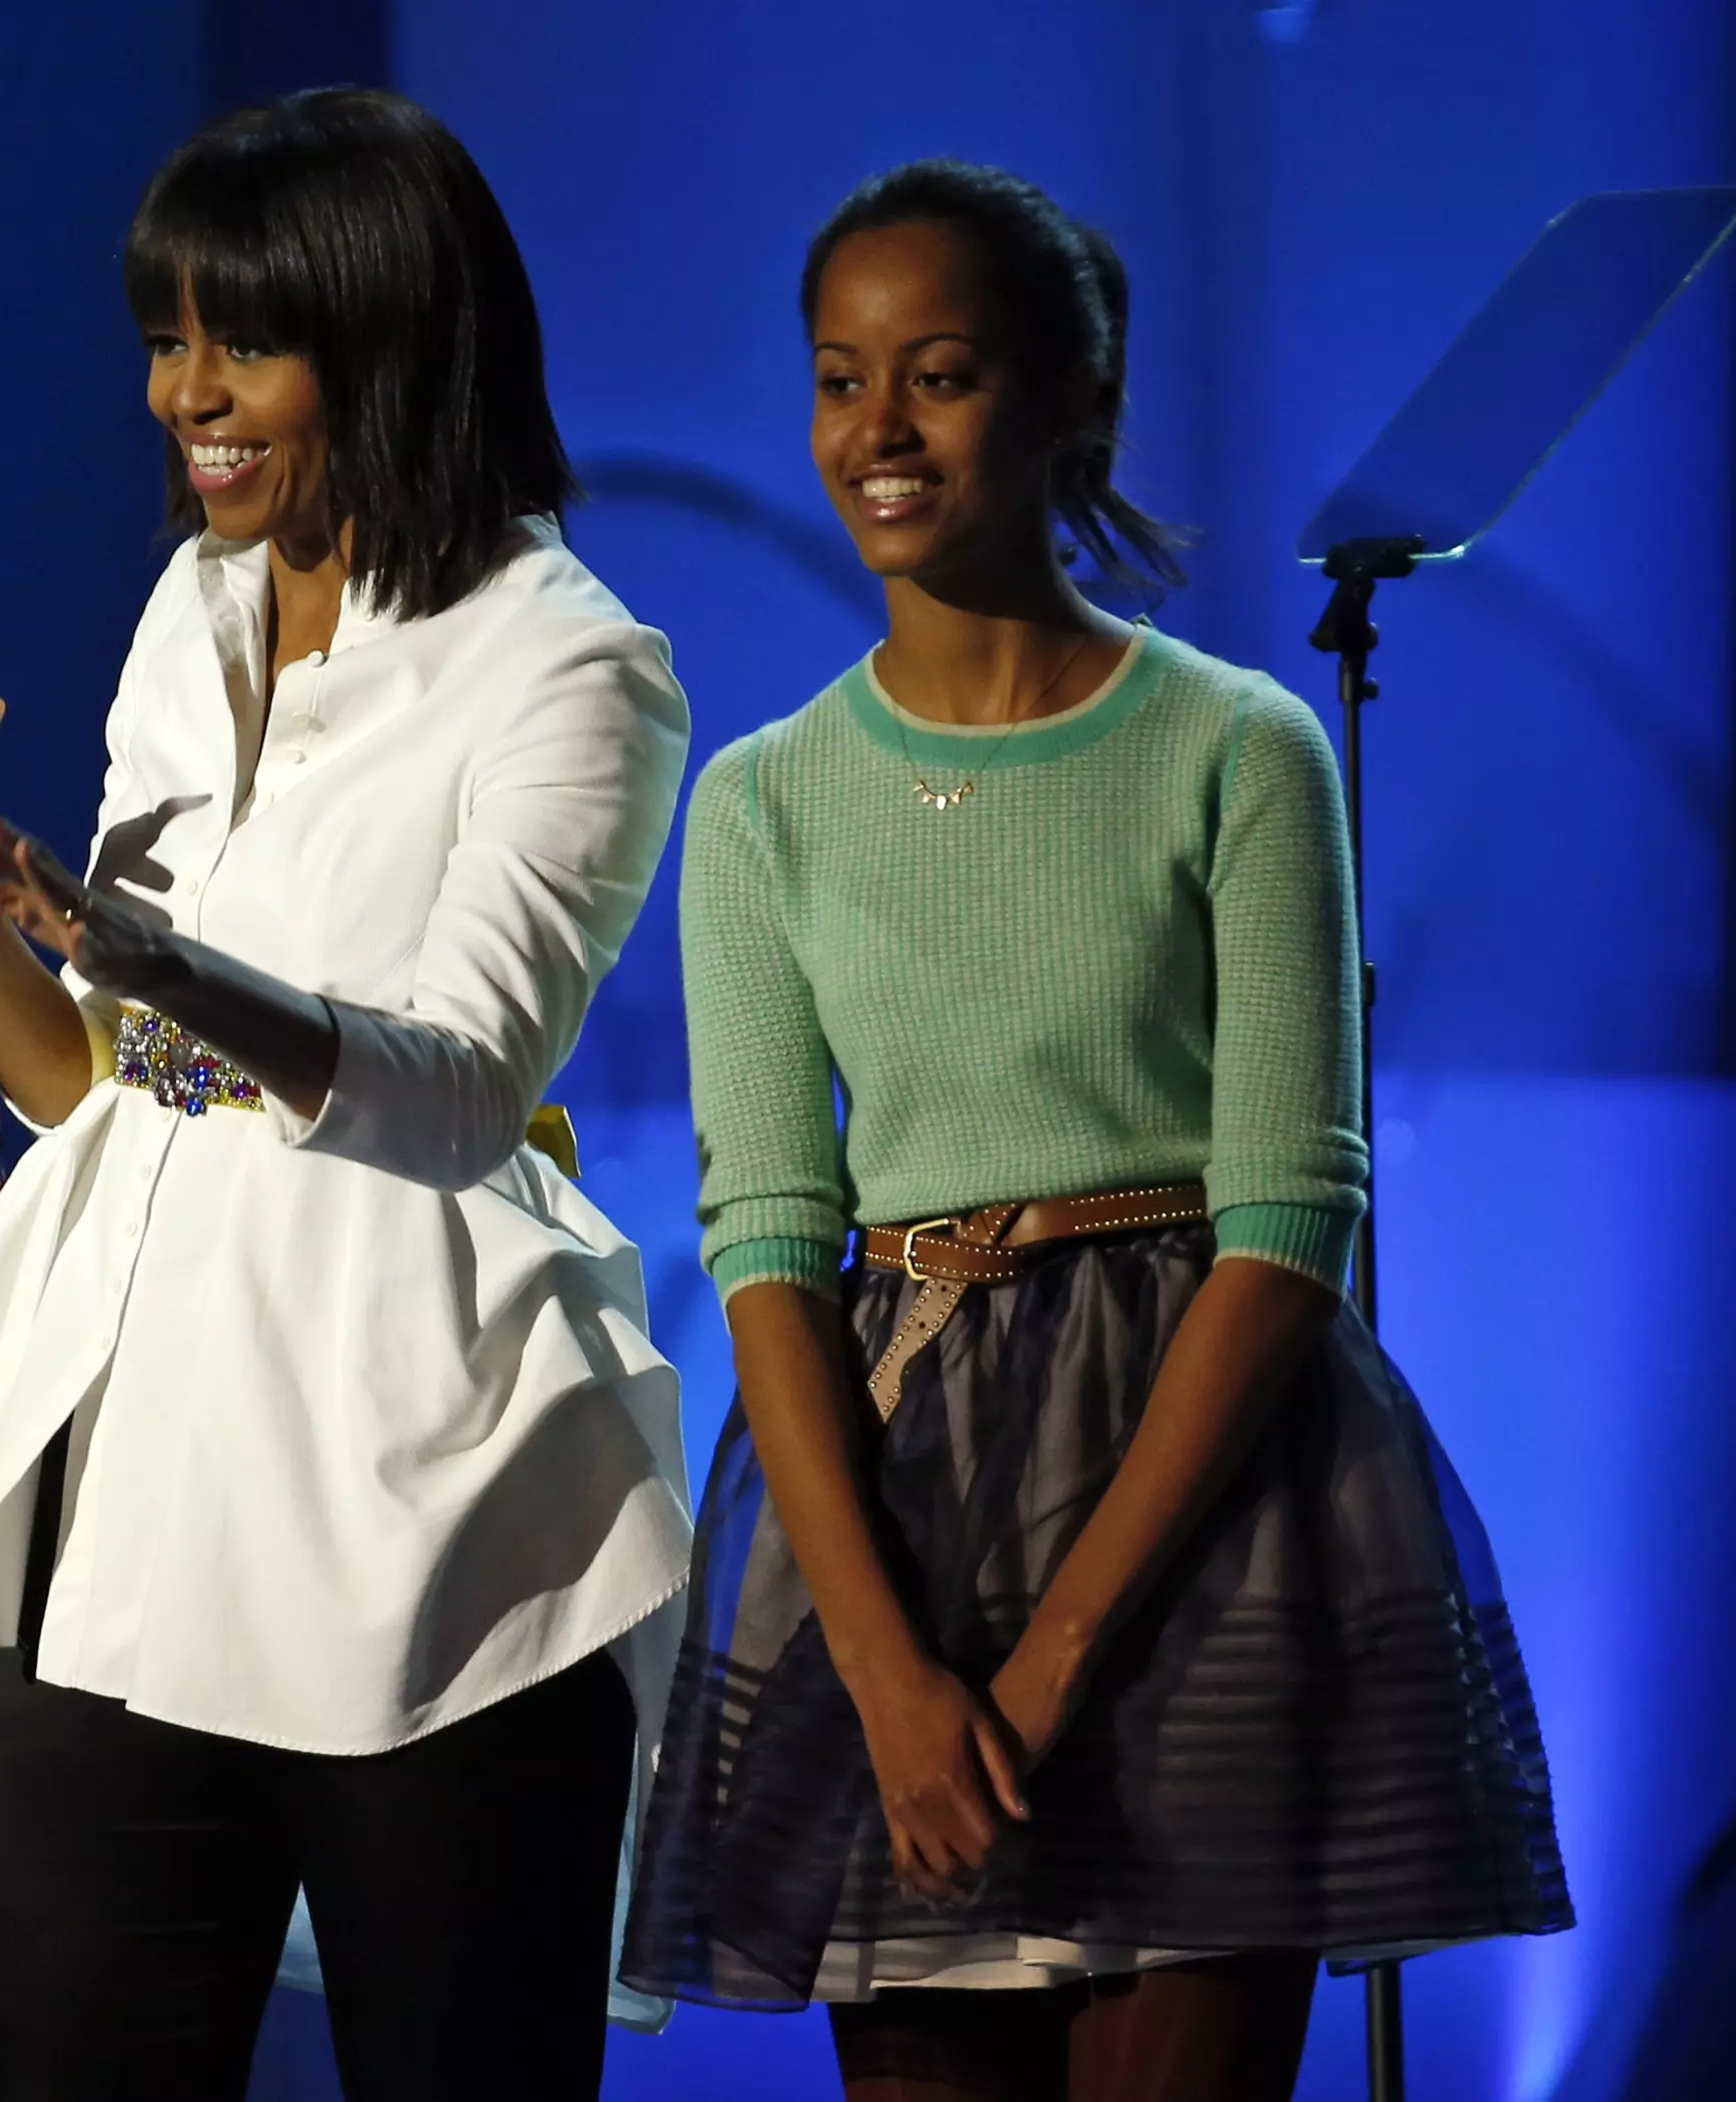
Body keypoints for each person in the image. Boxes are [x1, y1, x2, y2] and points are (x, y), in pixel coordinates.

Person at [620, 161, 1572, 2101]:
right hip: (903, 1510)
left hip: (1211, 1515)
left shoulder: (1238, 748)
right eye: (838, 377)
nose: (877, 428)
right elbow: (772, 1250)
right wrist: (892, 1675)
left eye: (941, 374)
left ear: (1077, 405)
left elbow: (1289, 1214)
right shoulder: (762, 800)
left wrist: (1051, 1664)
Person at [0, 89, 692, 2102]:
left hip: (425, 1525)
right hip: (117, 1499)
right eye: (164, 338)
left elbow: (464, 1089)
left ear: (391, 339)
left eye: (241, 342)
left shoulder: (569, 667)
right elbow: (93, 1084)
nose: (182, 395)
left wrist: (131, 950)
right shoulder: (189, 615)